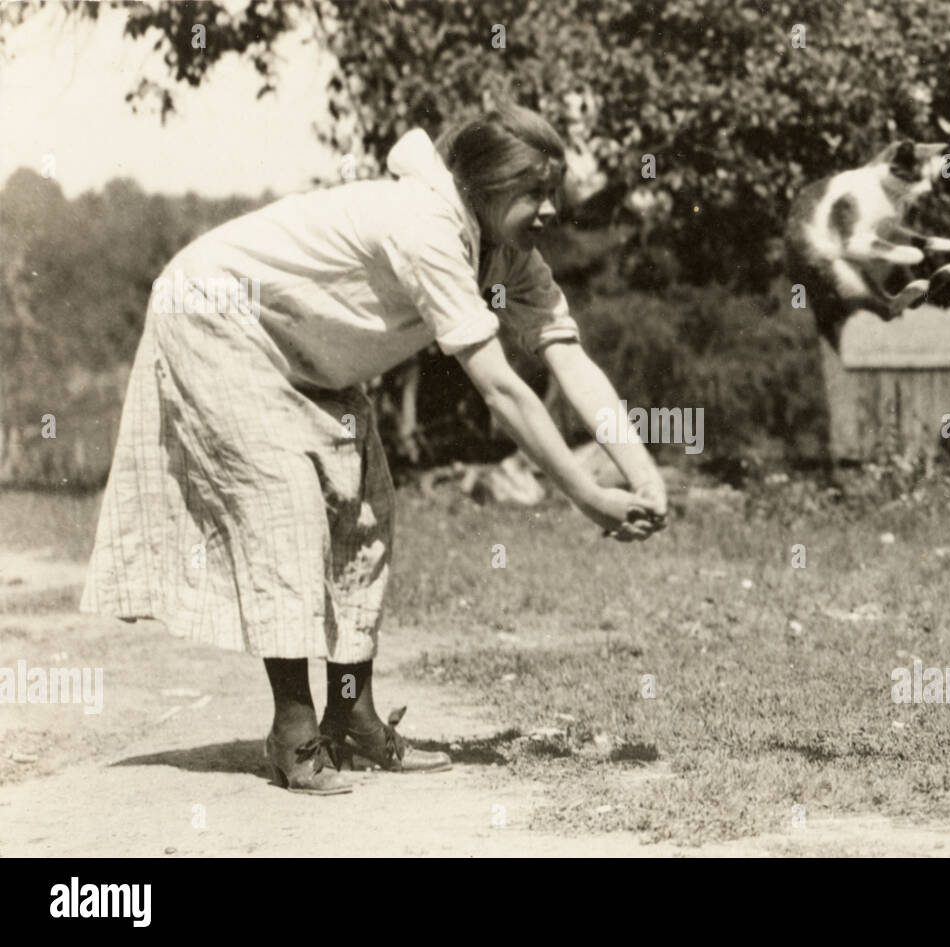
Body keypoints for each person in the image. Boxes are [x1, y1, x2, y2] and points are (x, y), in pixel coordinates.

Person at [81, 101, 668, 795]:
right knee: (286, 508)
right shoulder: (425, 228)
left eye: (552, 192)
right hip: (212, 314)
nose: (548, 209)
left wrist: (642, 470)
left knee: (363, 508)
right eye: (533, 193)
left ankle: (352, 721)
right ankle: (294, 731)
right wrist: (590, 496)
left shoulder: (509, 254)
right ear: (481, 188)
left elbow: (567, 358)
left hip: (301, 345)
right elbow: (503, 391)